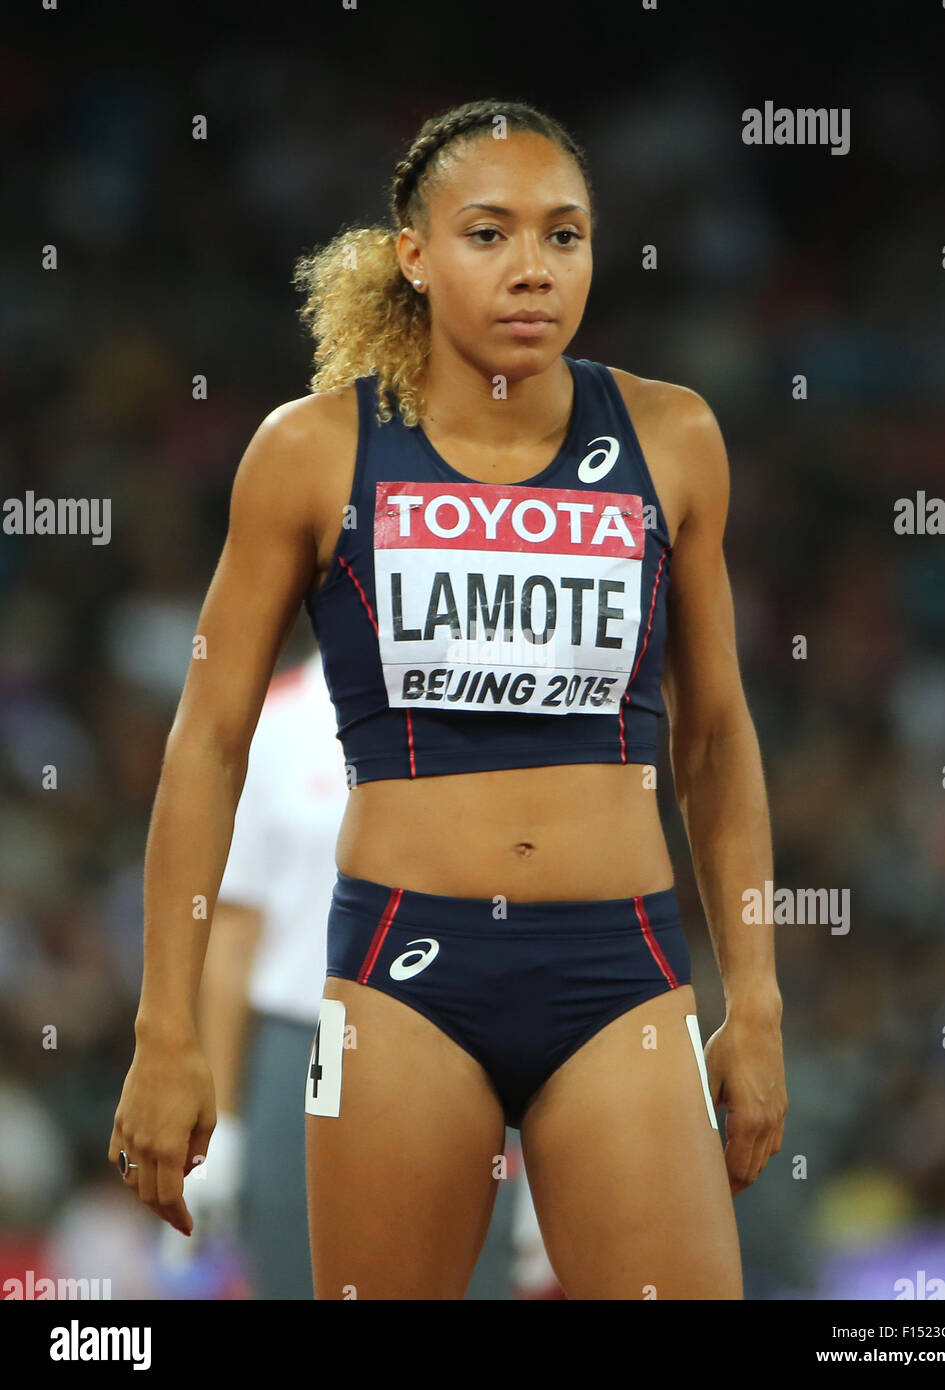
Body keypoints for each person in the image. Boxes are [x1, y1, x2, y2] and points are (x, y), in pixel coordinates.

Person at [110, 97, 787, 1301]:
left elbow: (717, 734)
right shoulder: (312, 451)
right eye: (488, 233)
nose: (532, 268)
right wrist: (167, 1028)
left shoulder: (672, 437)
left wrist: (759, 994)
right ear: (413, 254)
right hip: (399, 977)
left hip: (619, 965)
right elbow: (207, 745)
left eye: (563, 235)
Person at [159, 647, 540, 1298]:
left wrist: (538, 1145)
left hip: (458, 1043)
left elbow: (520, 931)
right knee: (298, 1281)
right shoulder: (271, 722)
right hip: (298, 1048)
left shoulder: (482, 715)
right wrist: (223, 1124)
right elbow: (231, 934)